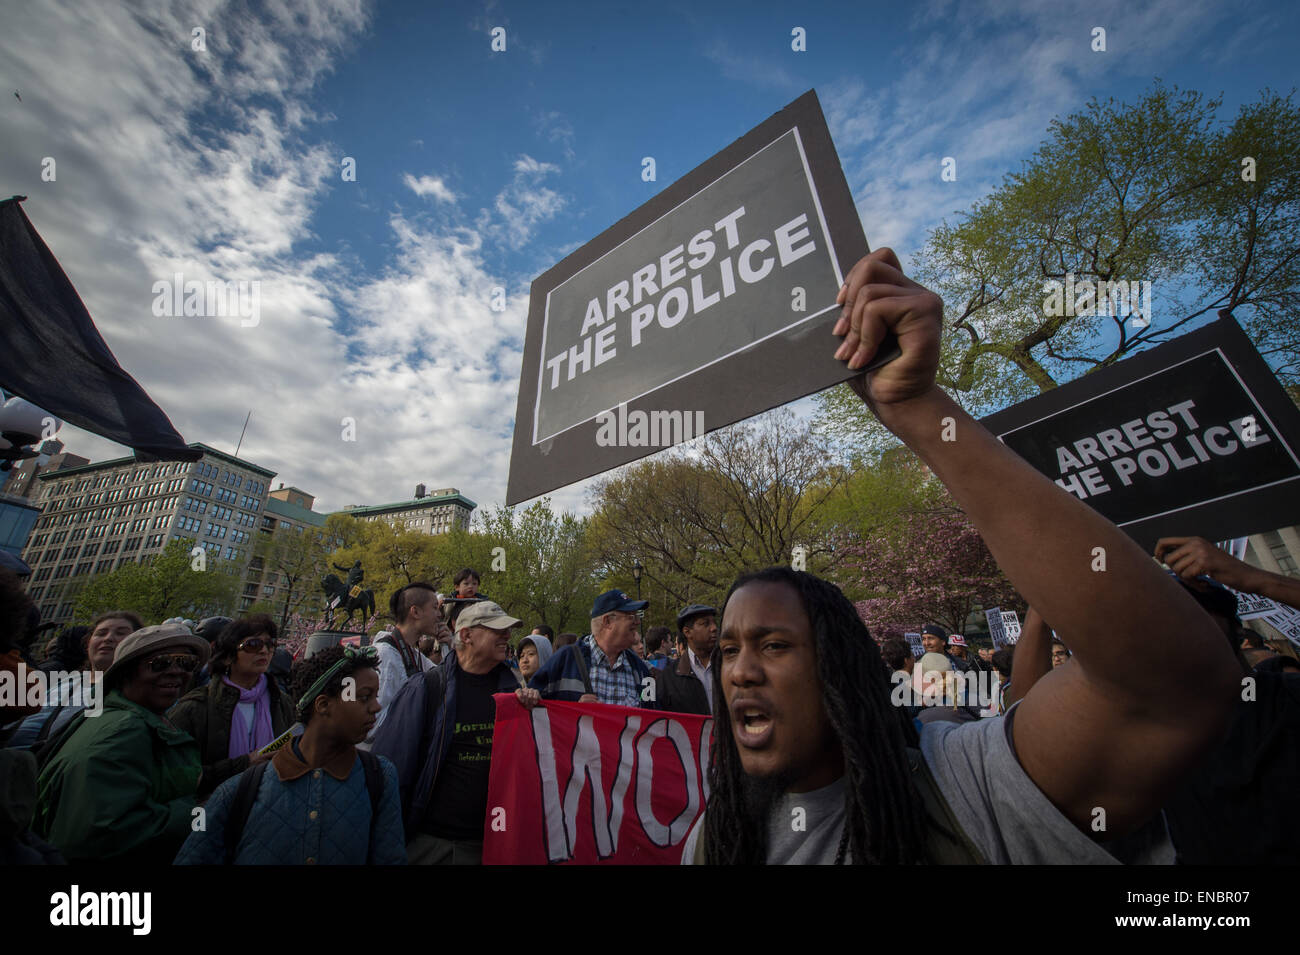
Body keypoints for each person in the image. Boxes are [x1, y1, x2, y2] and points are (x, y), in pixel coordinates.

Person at [682, 247, 1237, 864]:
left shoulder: (968, 785)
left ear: (839, 665)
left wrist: (918, 408)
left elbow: (1172, 688)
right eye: (729, 649)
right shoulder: (713, 841)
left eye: (774, 645)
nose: (740, 671)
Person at [175, 645, 405, 864]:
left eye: (376, 696)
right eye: (364, 697)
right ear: (323, 704)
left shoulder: (380, 778)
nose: (376, 707)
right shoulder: (240, 790)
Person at [370, 600, 540, 864]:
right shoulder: (426, 688)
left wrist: (532, 711)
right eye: (497, 629)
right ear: (466, 635)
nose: (507, 636)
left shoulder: (514, 696)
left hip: (493, 844)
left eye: (508, 630)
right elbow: (391, 767)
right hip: (431, 845)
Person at [34, 623, 210, 864]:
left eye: (186, 663)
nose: (176, 671)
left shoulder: (139, 719)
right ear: (126, 672)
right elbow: (97, 836)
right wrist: (202, 813)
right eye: (160, 663)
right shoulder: (123, 731)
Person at [168, 615, 296, 797]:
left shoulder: (281, 702)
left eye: (270, 644)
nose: (264, 651)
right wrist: (244, 765)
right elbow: (173, 775)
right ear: (228, 656)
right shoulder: (195, 707)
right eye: (253, 645)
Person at [7, 610, 143, 752]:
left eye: (121, 633)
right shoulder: (65, 682)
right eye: (101, 633)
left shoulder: (135, 694)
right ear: (88, 644)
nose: (108, 638)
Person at [530, 590, 658, 708]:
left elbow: (654, 718)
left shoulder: (642, 670)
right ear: (607, 621)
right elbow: (532, 705)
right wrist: (574, 709)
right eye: (631, 616)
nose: (637, 622)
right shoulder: (566, 659)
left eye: (637, 616)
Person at [371, 583, 444, 734]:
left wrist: (447, 646)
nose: (440, 615)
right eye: (435, 608)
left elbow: (446, 679)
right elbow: (374, 724)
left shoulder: (415, 655)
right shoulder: (384, 655)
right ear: (415, 612)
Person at [654, 604, 717, 716]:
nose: (714, 628)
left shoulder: (730, 667)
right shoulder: (668, 678)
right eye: (705, 624)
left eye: (714, 622)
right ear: (687, 632)